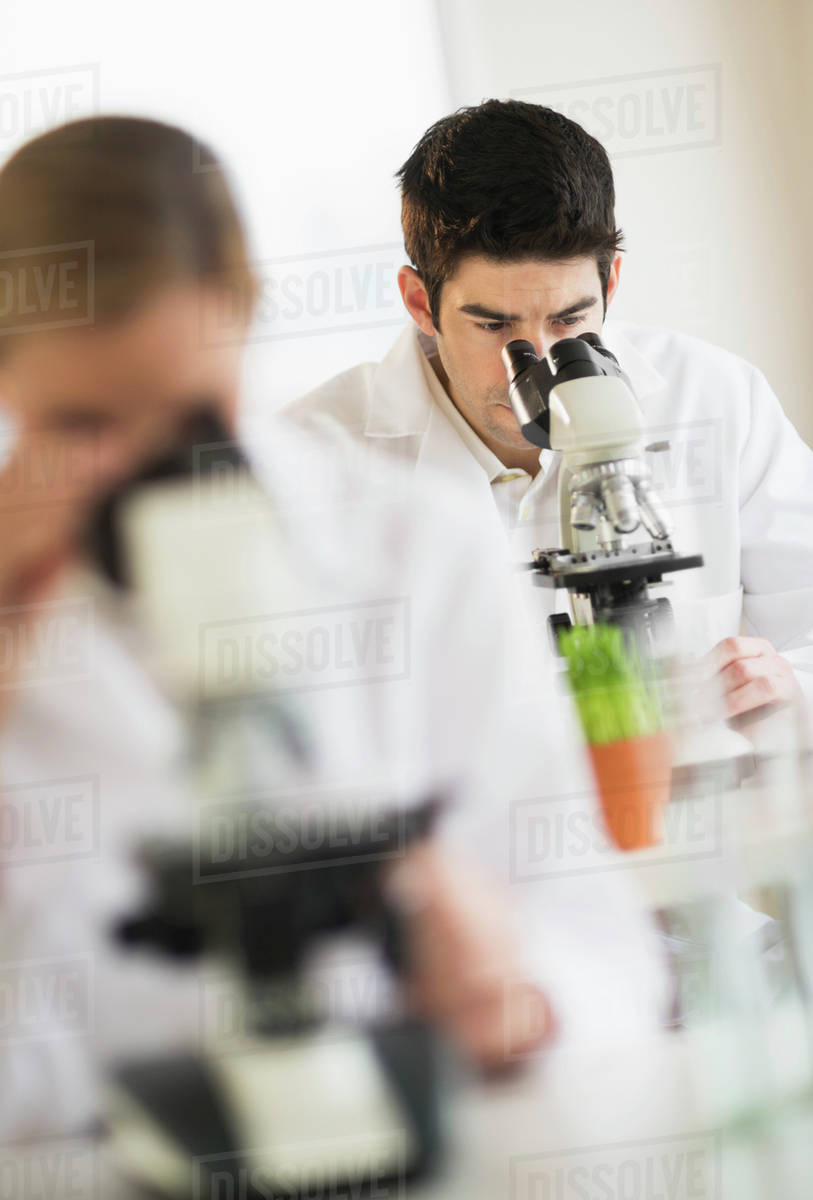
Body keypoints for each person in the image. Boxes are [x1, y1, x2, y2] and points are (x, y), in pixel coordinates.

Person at [0, 117, 665, 1141]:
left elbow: (608, 963)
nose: (143, 472)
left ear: (243, 317)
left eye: (187, 420)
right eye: (82, 425)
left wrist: (516, 995)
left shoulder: (416, 542)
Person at [280, 98, 813, 720]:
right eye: (494, 325)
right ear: (420, 303)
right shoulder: (309, 460)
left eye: (570, 318)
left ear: (610, 283)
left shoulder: (717, 399)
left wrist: (788, 685)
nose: (538, 366)